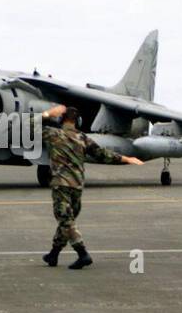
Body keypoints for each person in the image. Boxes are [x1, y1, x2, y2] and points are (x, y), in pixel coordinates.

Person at [39, 104, 143, 269]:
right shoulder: (83, 138)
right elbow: (103, 154)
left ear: (60, 119)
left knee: (66, 221)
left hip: (62, 185)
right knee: (67, 221)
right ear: (78, 121)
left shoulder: (53, 134)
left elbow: (26, 125)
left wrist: (47, 113)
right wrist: (126, 158)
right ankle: (53, 254)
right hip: (78, 187)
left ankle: (82, 254)